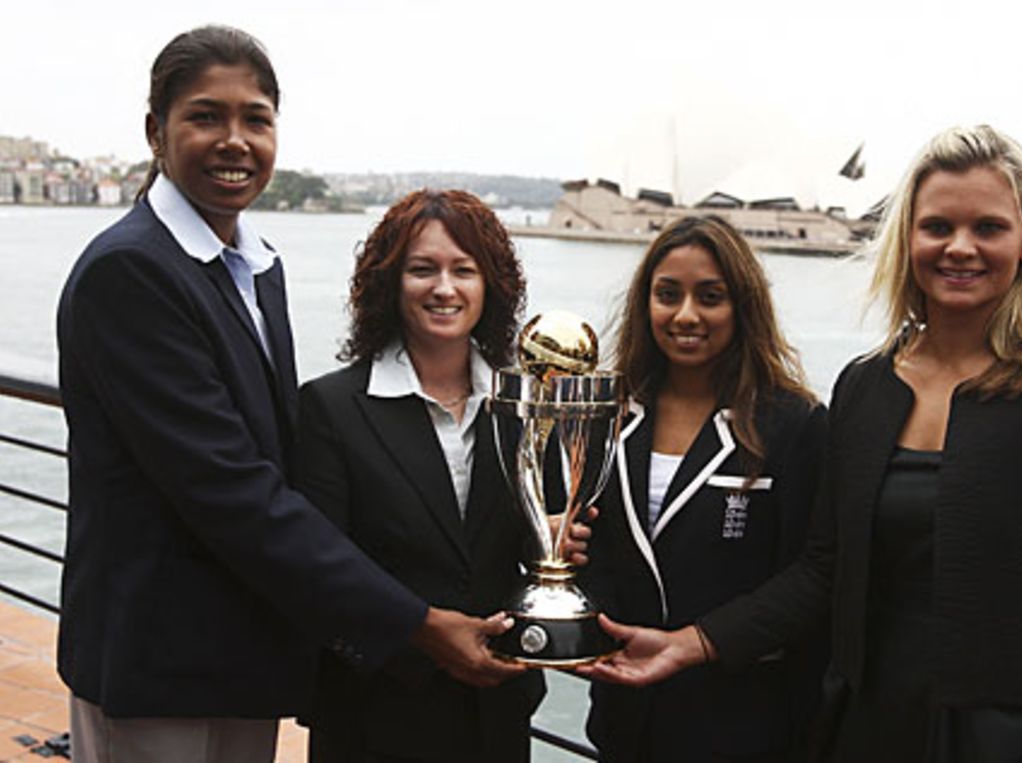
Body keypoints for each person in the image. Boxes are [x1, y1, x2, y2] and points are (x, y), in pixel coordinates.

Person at [580, 126, 1022, 762]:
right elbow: (823, 569)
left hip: (1011, 739)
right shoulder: (868, 387)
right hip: (868, 725)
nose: (959, 248)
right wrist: (692, 643)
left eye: (988, 228)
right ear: (906, 239)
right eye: (937, 226)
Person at [56, 26, 520, 763]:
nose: (235, 141)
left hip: (246, 649)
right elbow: (231, 487)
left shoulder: (253, 268)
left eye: (256, 118)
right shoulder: (131, 271)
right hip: (157, 656)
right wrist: (415, 622)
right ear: (156, 131)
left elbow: (276, 461)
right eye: (206, 116)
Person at [297, 190, 557, 762]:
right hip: (374, 712)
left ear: (491, 286)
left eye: (464, 270)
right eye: (422, 270)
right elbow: (320, 572)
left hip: (496, 709)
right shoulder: (330, 408)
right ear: (390, 284)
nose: (445, 288)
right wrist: (428, 643)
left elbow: (526, 551)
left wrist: (559, 541)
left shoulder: (525, 410)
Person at [579, 216, 829, 762]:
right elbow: (580, 542)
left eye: (710, 297)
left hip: (742, 725)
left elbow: (816, 572)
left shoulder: (793, 423)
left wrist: (700, 642)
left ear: (742, 307)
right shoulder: (603, 417)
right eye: (668, 295)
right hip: (626, 724)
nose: (686, 315)